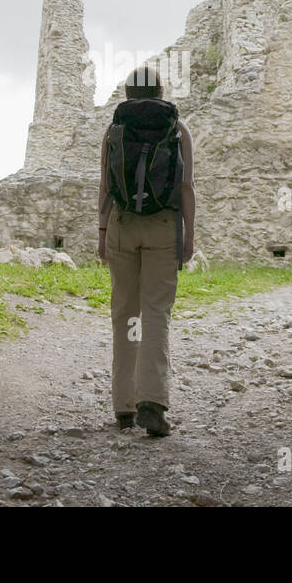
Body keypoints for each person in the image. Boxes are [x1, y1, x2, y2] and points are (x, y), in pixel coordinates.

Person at [97, 65, 195, 437]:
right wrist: (188, 236)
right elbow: (186, 187)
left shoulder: (113, 131)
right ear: (159, 90)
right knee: (155, 313)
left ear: (126, 94)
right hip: (163, 227)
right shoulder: (177, 128)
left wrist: (102, 231)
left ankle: (123, 407)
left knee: (125, 313)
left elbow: (106, 185)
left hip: (122, 225)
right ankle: (152, 403)